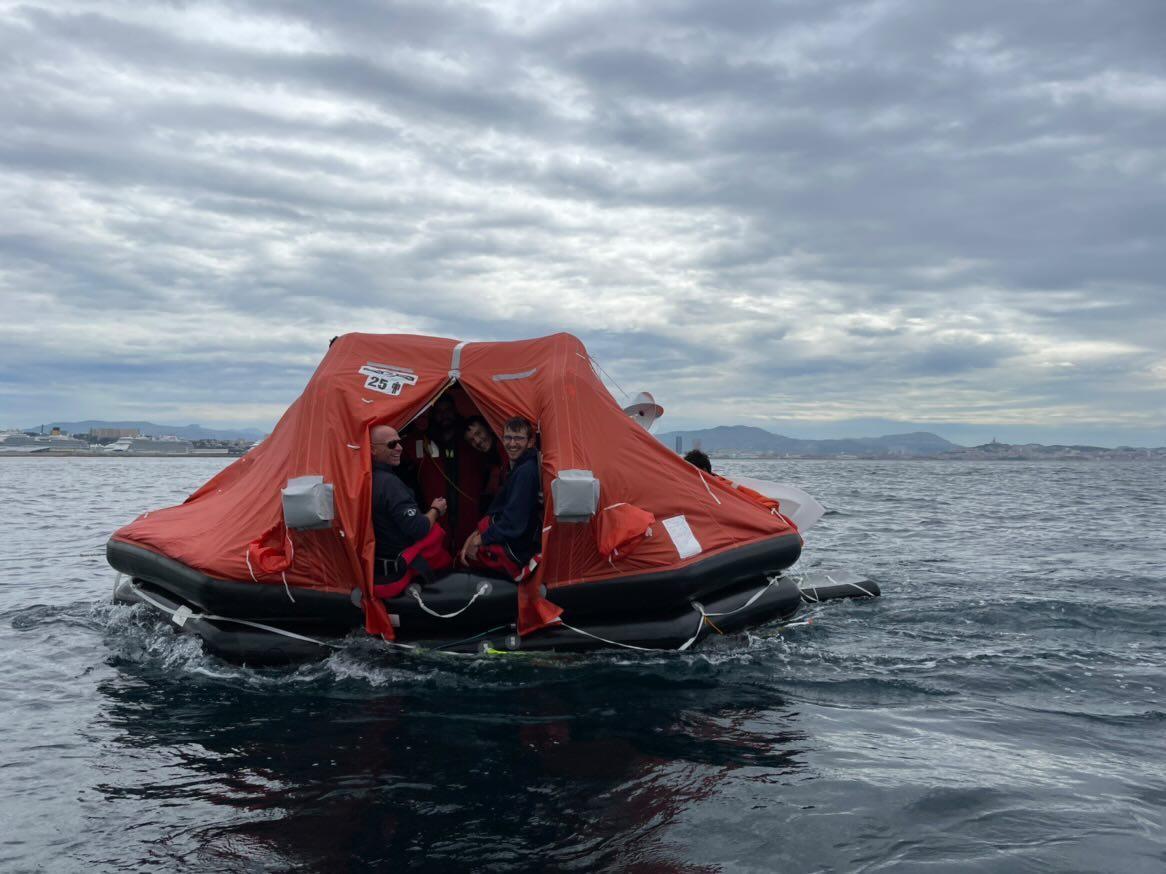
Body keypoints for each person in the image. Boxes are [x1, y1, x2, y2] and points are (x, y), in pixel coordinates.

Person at [459, 416, 541, 577]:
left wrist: (480, 539)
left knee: (468, 559)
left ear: (530, 442)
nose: (478, 441)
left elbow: (514, 521)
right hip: (506, 531)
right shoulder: (503, 464)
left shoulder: (524, 470)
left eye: (478, 433)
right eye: (508, 438)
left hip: (517, 545)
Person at [370, 424, 449, 585]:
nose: (399, 448)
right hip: (400, 569)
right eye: (392, 444)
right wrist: (435, 510)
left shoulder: (367, 478)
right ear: (372, 450)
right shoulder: (389, 484)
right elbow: (418, 528)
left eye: (399, 442)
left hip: (379, 563)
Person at [463, 414, 505, 510]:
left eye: (478, 433)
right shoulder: (483, 463)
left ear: (489, 428)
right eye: (471, 440)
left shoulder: (508, 450)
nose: (477, 441)